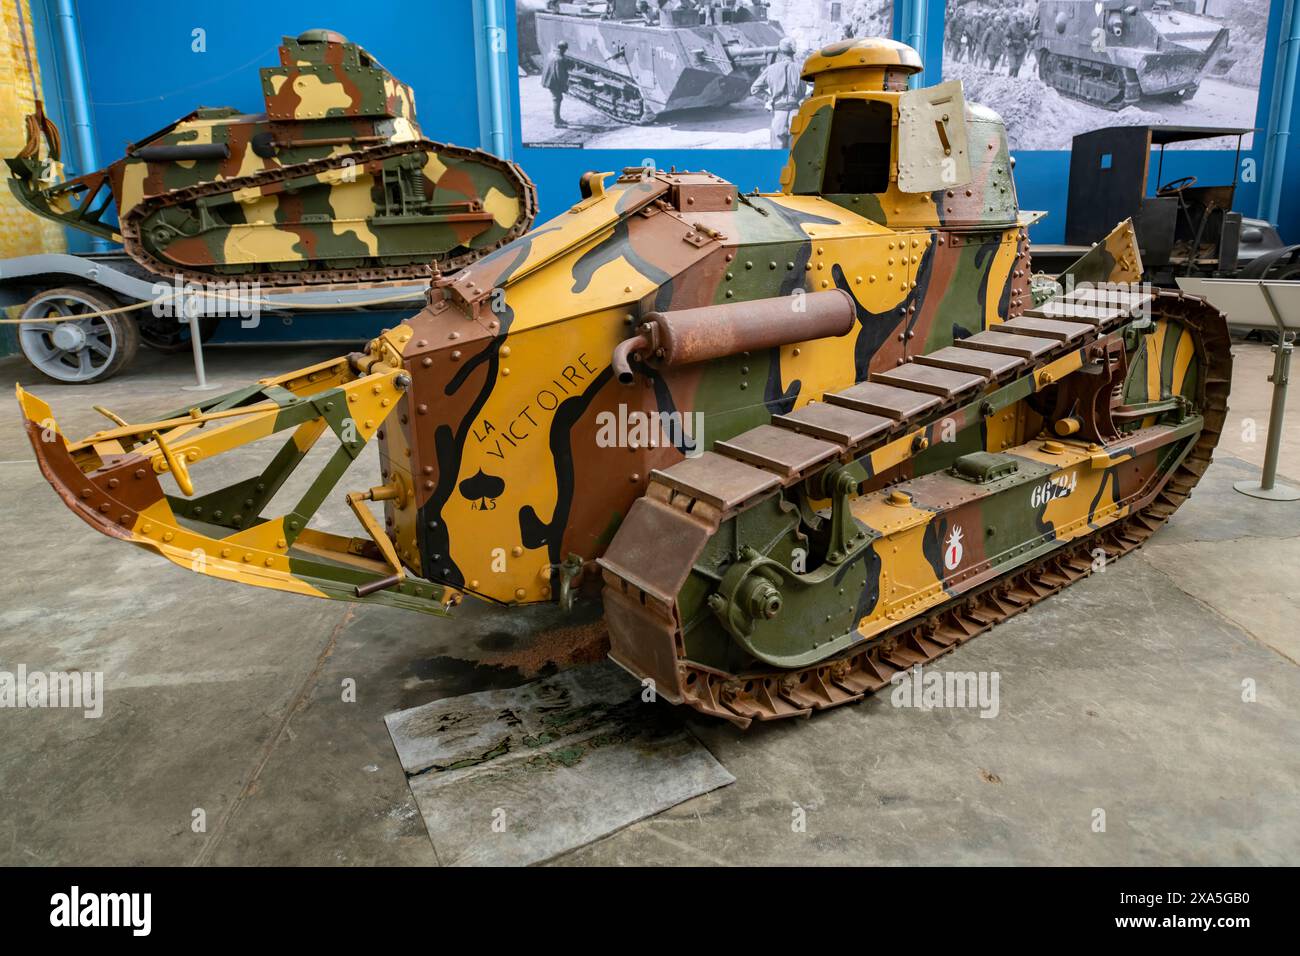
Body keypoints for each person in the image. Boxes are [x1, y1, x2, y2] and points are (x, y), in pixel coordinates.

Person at [750, 37, 804, 150]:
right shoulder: (802, 69)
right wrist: (805, 99)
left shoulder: (771, 69)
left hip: (778, 113)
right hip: (797, 113)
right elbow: (818, 85)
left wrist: (768, 99)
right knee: (796, 153)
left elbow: (754, 89)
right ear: (794, 52)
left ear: (779, 51)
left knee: (777, 153)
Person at [542, 41, 571, 129]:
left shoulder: (550, 54)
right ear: (563, 49)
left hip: (548, 79)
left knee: (557, 99)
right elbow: (560, 75)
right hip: (554, 82)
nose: (565, 51)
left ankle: (558, 119)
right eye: (565, 49)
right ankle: (557, 122)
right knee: (557, 99)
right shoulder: (559, 59)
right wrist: (565, 86)